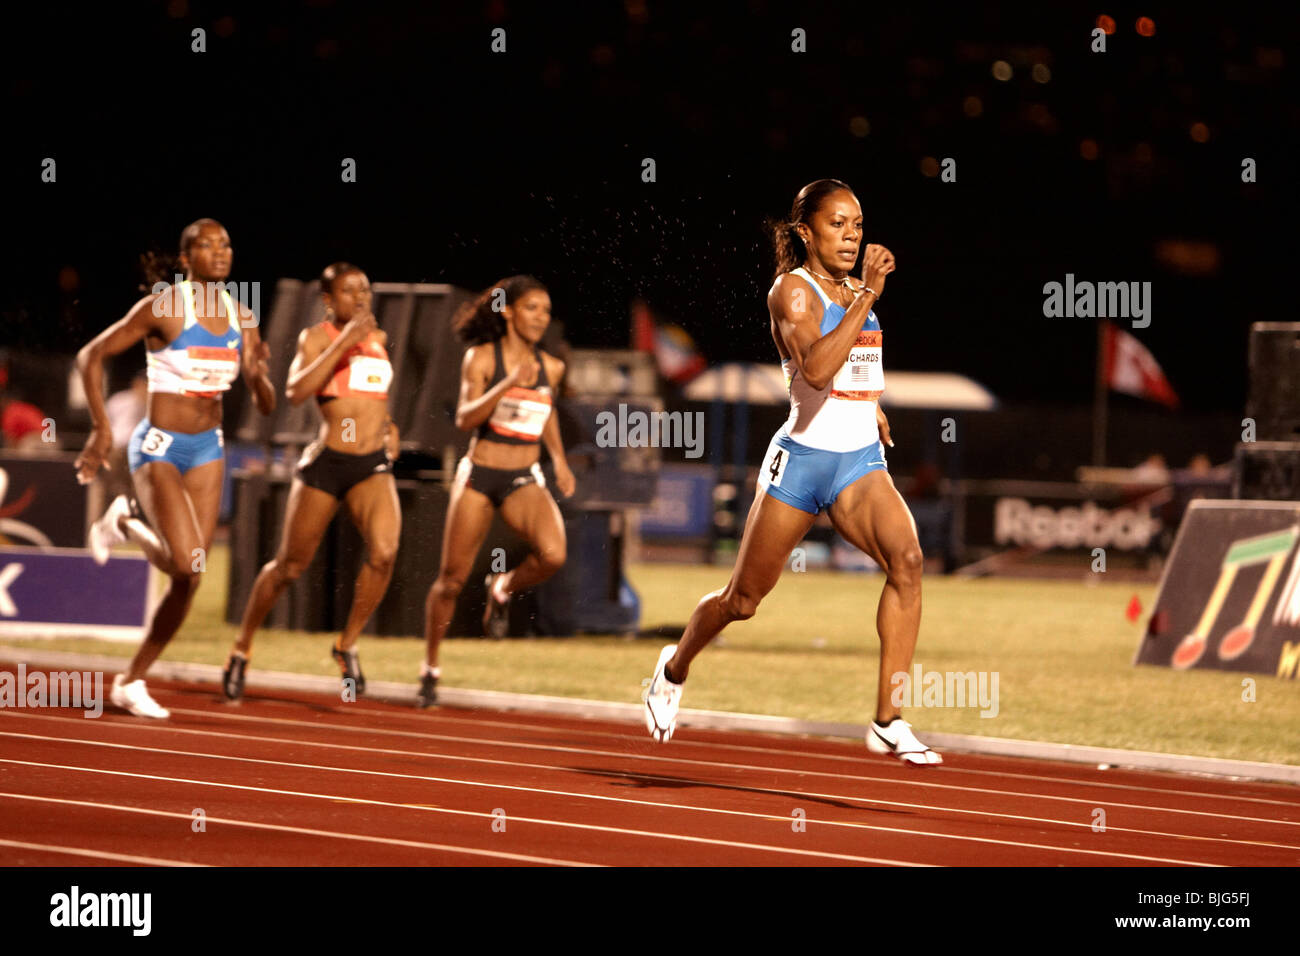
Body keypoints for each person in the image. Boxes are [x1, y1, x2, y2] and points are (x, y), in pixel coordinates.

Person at [641, 179, 942, 765]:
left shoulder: (856, 290)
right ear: (806, 232)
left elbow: (855, 368)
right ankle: (673, 669)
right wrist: (867, 299)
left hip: (858, 462)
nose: (852, 236)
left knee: (907, 561)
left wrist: (872, 406)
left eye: (858, 224)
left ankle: (888, 720)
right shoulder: (793, 292)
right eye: (837, 224)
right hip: (801, 464)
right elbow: (818, 368)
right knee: (743, 600)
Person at [75, 218, 275, 718]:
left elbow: (267, 404)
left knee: (192, 576)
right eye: (207, 245)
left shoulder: (242, 315)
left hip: (208, 448)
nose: (220, 251)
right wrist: (101, 430)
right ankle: (124, 518)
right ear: (186, 259)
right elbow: (91, 355)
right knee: (186, 561)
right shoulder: (164, 306)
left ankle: (130, 680)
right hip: (160, 445)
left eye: (226, 243)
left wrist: (258, 377)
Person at [221, 263, 400, 701]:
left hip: (371, 463)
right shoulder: (316, 337)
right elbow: (297, 390)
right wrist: (345, 342)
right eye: (348, 290)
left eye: (365, 289)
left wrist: (390, 425)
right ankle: (241, 649)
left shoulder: (378, 341)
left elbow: (374, 394)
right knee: (289, 567)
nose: (359, 297)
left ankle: (347, 643)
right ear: (328, 300)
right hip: (328, 461)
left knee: (385, 552)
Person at [418, 276, 575, 708]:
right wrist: (507, 385)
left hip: (523, 474)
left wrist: (558, 459)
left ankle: (502, 586)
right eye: (531, 309)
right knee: (450, 580)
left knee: (553, 554)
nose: (541, 318)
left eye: (546, 310)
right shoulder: (482, 357)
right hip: (480, 473)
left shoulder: (552, 366)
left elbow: (546, 414)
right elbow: (466, 418)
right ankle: (430, 669)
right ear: (508, 311)